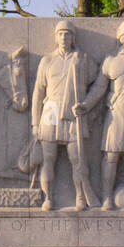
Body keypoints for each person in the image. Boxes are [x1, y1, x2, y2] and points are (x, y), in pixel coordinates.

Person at [75, 18, 124, 210]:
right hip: (116, 111)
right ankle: (107, 197)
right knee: (111, 156)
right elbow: (99, 87)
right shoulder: (111, 60)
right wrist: (85, 105)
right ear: (121, 38)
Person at [30, 20, 98, 211]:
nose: (63, 37)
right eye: (60, 34)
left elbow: (98, 82)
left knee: (77, 160)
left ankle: (80, 197)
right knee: (48, 158)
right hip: (50, 111)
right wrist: (35, 124)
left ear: (73, 37)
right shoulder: (47, 61)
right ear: (56, 37)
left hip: (72, 112)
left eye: (67, 34)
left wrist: (85, 104)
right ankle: (48, 198)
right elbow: (38, 93)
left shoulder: (83, 59)